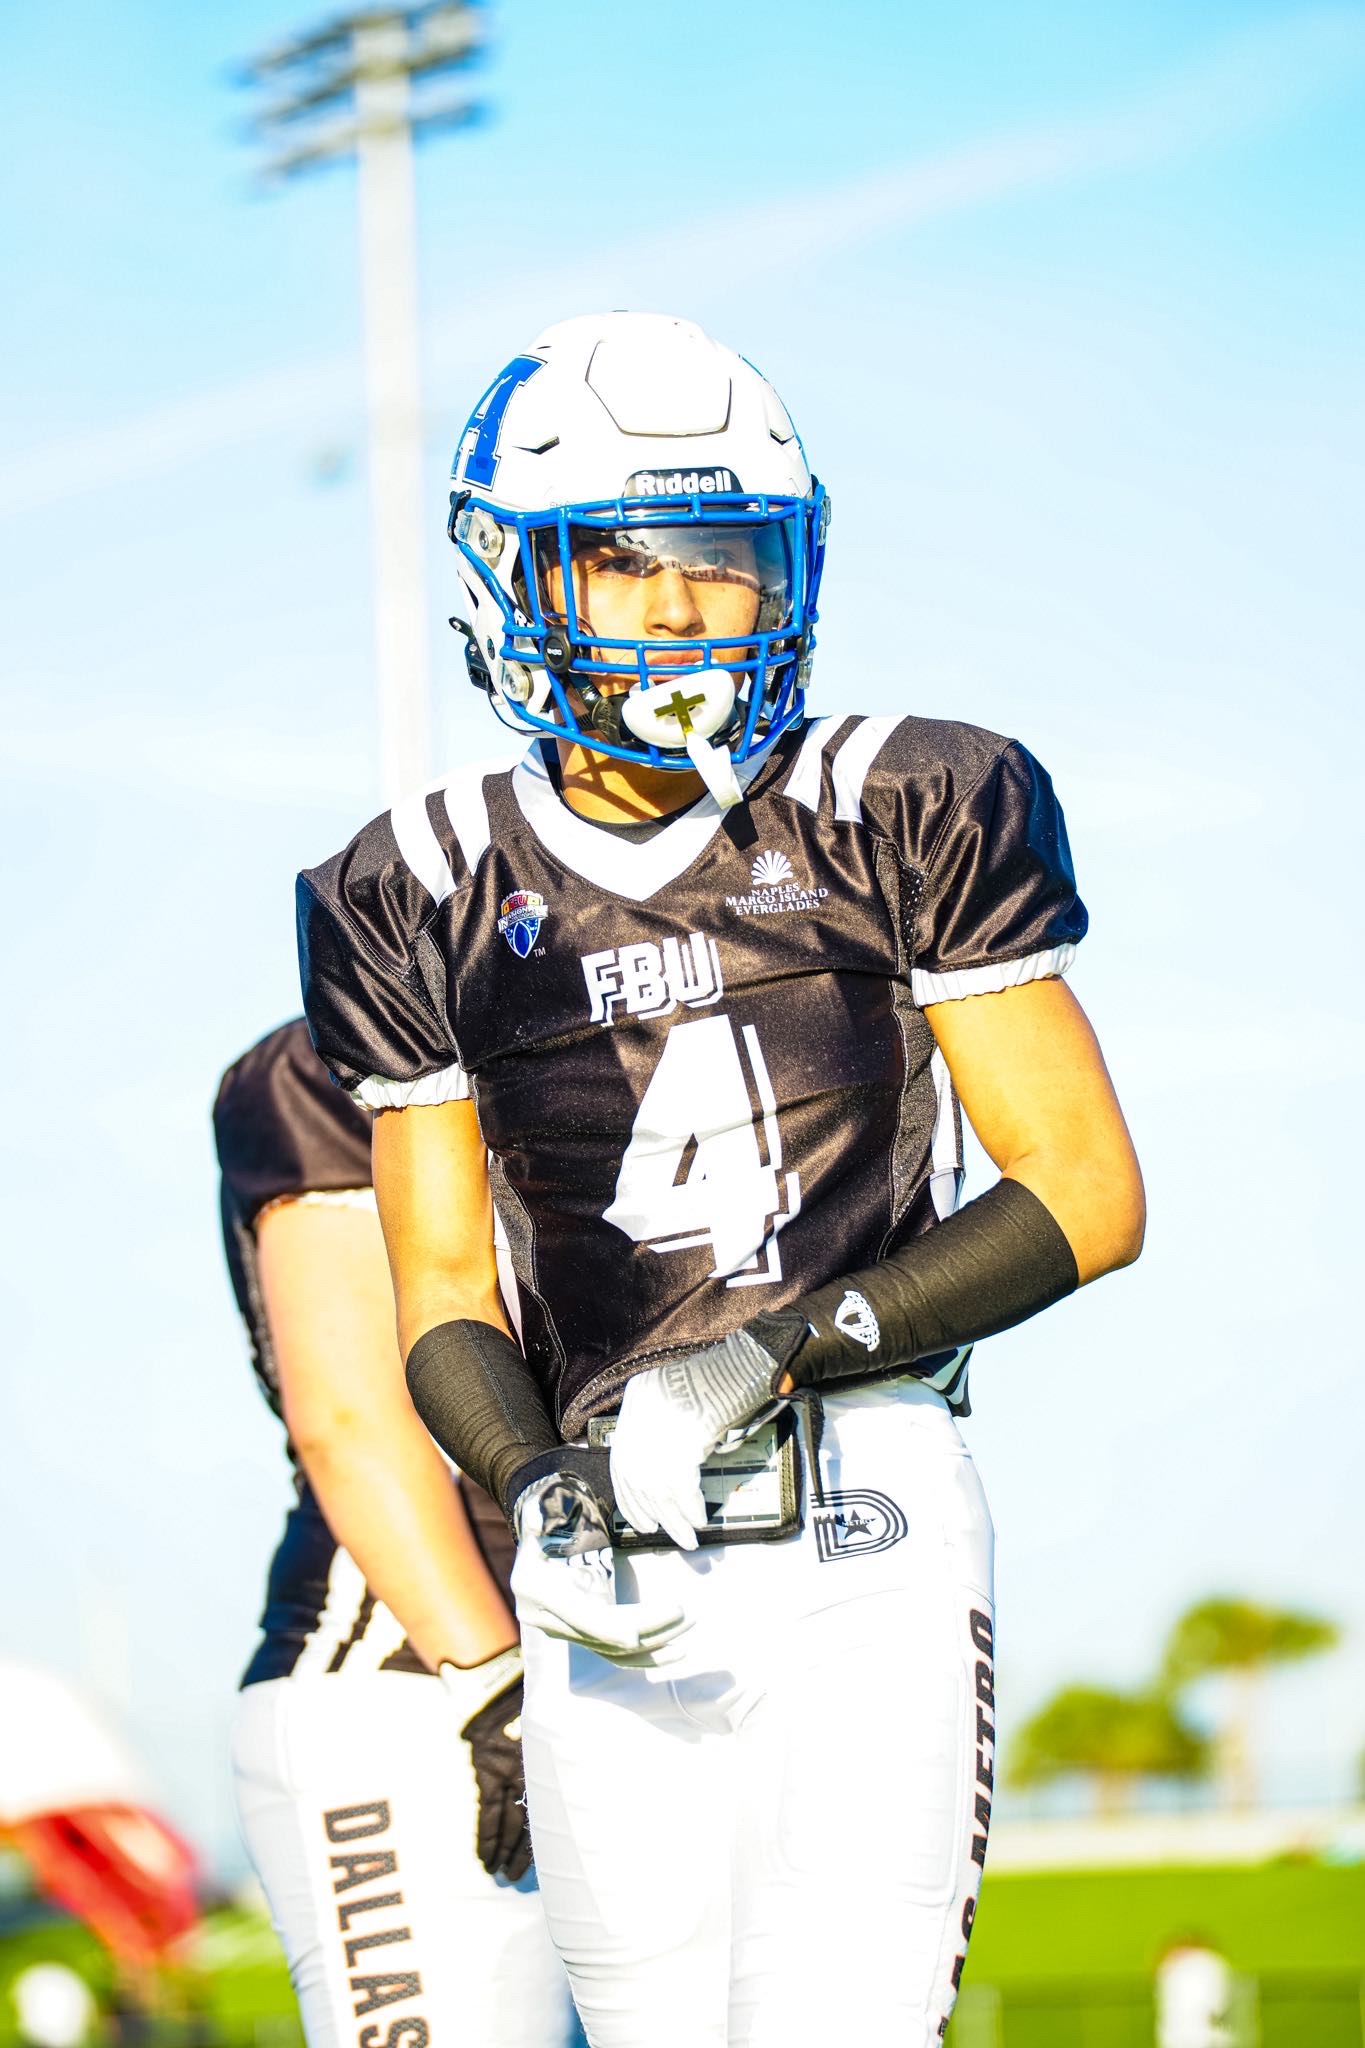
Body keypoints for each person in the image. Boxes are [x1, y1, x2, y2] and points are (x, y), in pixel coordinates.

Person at [295, 311, 1146, 2047]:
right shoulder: (417, 879)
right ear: (510, 573)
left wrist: (767, 1351)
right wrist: (534, 1481)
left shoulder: (899, 795)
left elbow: (1085, 1189)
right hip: (611, 1538)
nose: (690, 612)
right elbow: (446, 1288)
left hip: (869, 1496)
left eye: (728, 562)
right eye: (629, 567)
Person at [214, 1021, 578, 2048]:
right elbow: (353, 1421)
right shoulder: (328, 1064)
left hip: (586, 1658)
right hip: (414, 1671)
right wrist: (494, 1680)